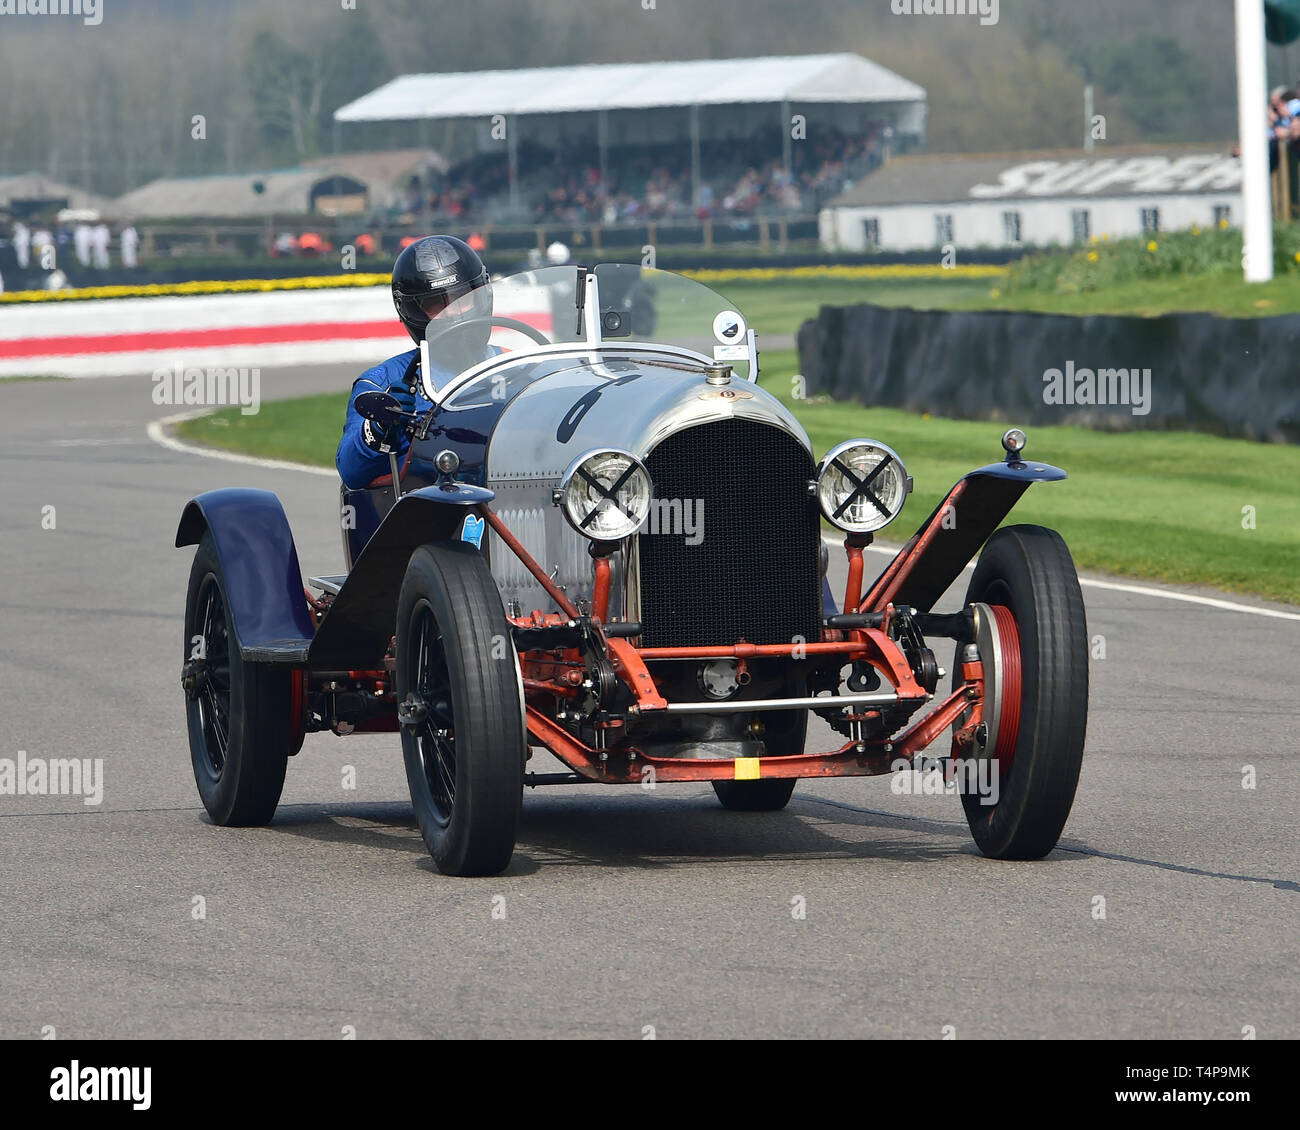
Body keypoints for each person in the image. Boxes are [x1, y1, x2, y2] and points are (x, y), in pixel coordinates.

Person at [336, 235, 494, 491]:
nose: (452, 312)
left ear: (482, 295)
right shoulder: (383, 381)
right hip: (429, 517)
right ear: (411, 311)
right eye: (436, 304)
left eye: (462, 298)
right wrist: (379, 426)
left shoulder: (515, 366)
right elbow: (351, 472)